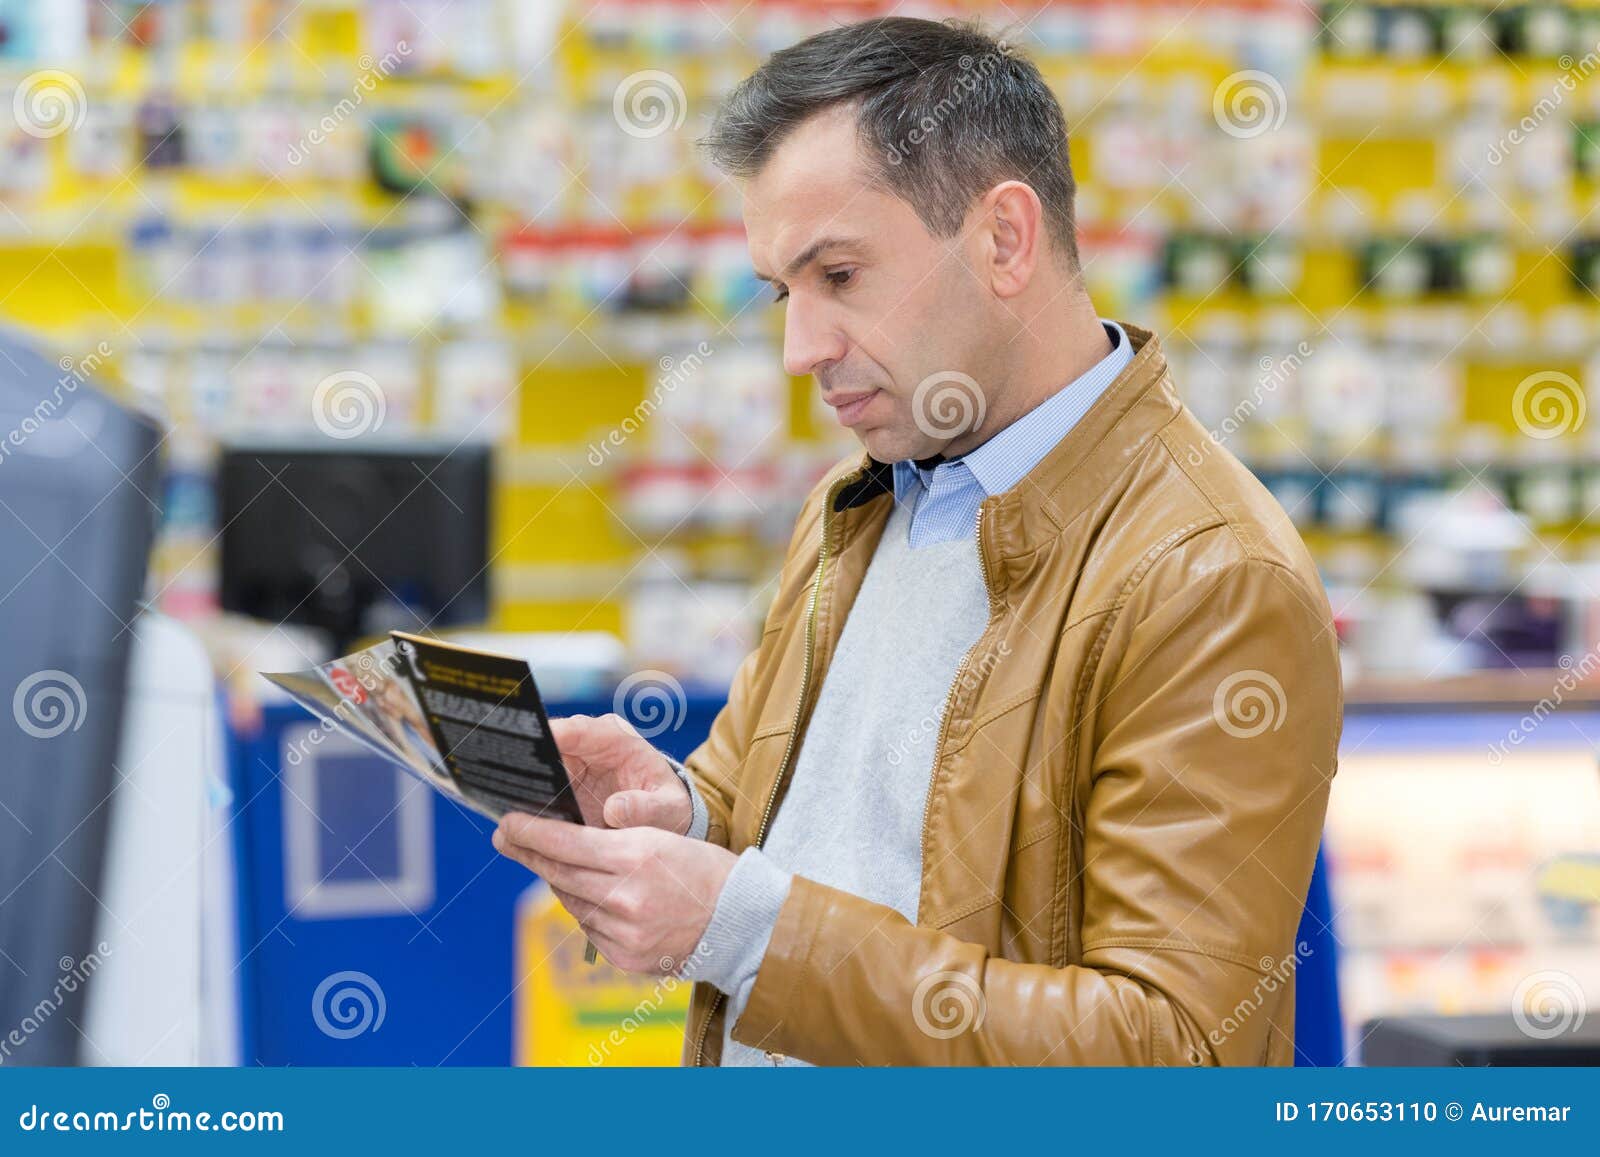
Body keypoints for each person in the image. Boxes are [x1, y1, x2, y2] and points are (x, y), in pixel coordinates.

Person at [493, 15, 1341, 1067]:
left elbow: (1169, 1051)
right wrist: (679, 815)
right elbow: (823, 847)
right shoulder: (856, 508)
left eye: (839, 276)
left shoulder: (1208, 576)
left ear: (1003, 240)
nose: (800, 349)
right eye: (780, 291)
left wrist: (741, 929)